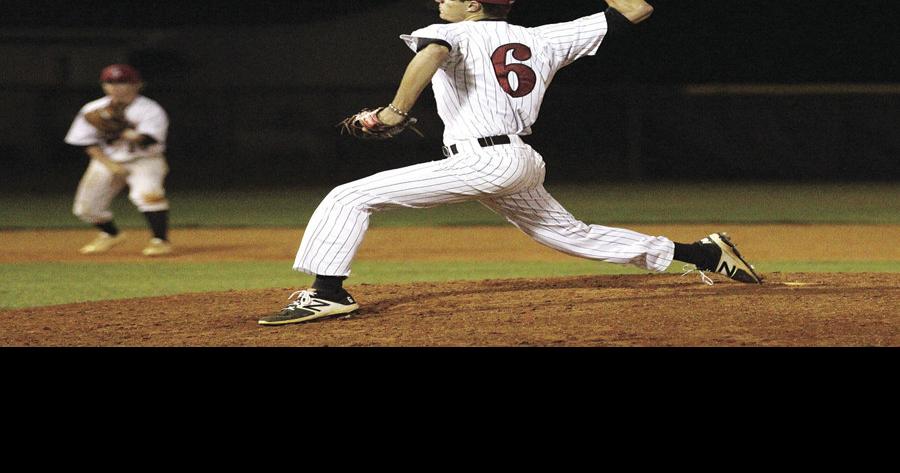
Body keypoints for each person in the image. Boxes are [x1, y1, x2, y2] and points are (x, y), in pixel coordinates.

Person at [259, 0, 761, 326]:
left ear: (474, 6)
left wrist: (393, 111)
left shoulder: (449, 31)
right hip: (518, 157)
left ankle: (328, 293)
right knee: (573, 234)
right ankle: (703, 254)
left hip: (486, 157)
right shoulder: (544, 37)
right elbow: (638, 8)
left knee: (348, 196)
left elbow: (431, 52)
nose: (440, 1)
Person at [64, 63, 173, 256]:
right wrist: (109, 164)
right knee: (85, 207)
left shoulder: (149, 109)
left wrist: (121, 130)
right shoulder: (93, 109)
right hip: (106, 159)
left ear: (137, 84)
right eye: (110, 82)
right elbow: (86, 142)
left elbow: (148, 140)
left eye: (122, 82)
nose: (115, 86)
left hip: (144, 160)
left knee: (148, 195)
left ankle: (160, 241)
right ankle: (110, 234)